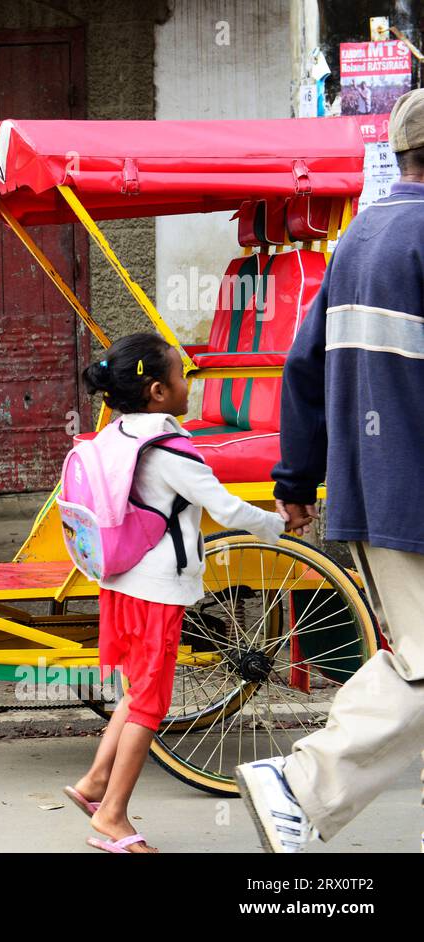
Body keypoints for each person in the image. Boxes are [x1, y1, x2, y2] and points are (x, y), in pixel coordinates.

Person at [234, 89, 424, 853]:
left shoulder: (358, 238)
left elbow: (301, 366)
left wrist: (295, 481)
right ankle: (302, 783)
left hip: (371, 496)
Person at [65, 333, 287, 853]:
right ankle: (113, 816)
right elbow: (228, 510)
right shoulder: (168, 450)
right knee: (150, 704)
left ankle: (95, 783)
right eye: (182, 375)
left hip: (118, 580)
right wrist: (277, 524)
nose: (190, 384)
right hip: (156, 589)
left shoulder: (117, 434)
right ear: (159, 392)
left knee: (138, 691)